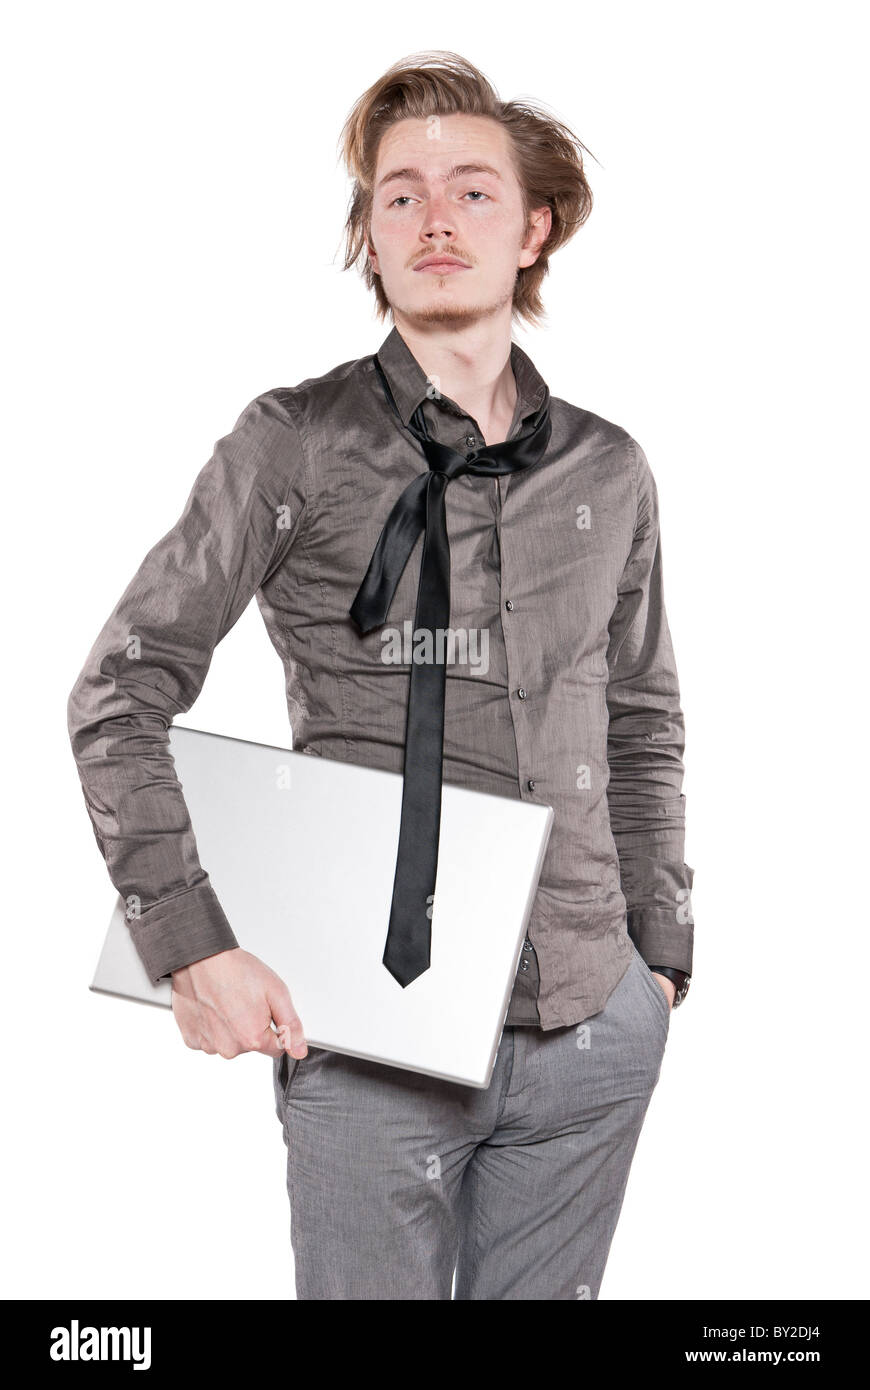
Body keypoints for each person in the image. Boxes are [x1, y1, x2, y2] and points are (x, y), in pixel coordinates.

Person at [67, 50, 694, 1300]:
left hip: (592, 1022)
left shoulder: (610, 470)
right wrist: (190, 941)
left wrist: (658, 956)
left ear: (535, 228)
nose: (432, 218)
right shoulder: (291, 444)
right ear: (368, 235)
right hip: (369, 1035)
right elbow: (119, 694)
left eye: (471, 190)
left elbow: (641, 719)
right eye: (397, 195)